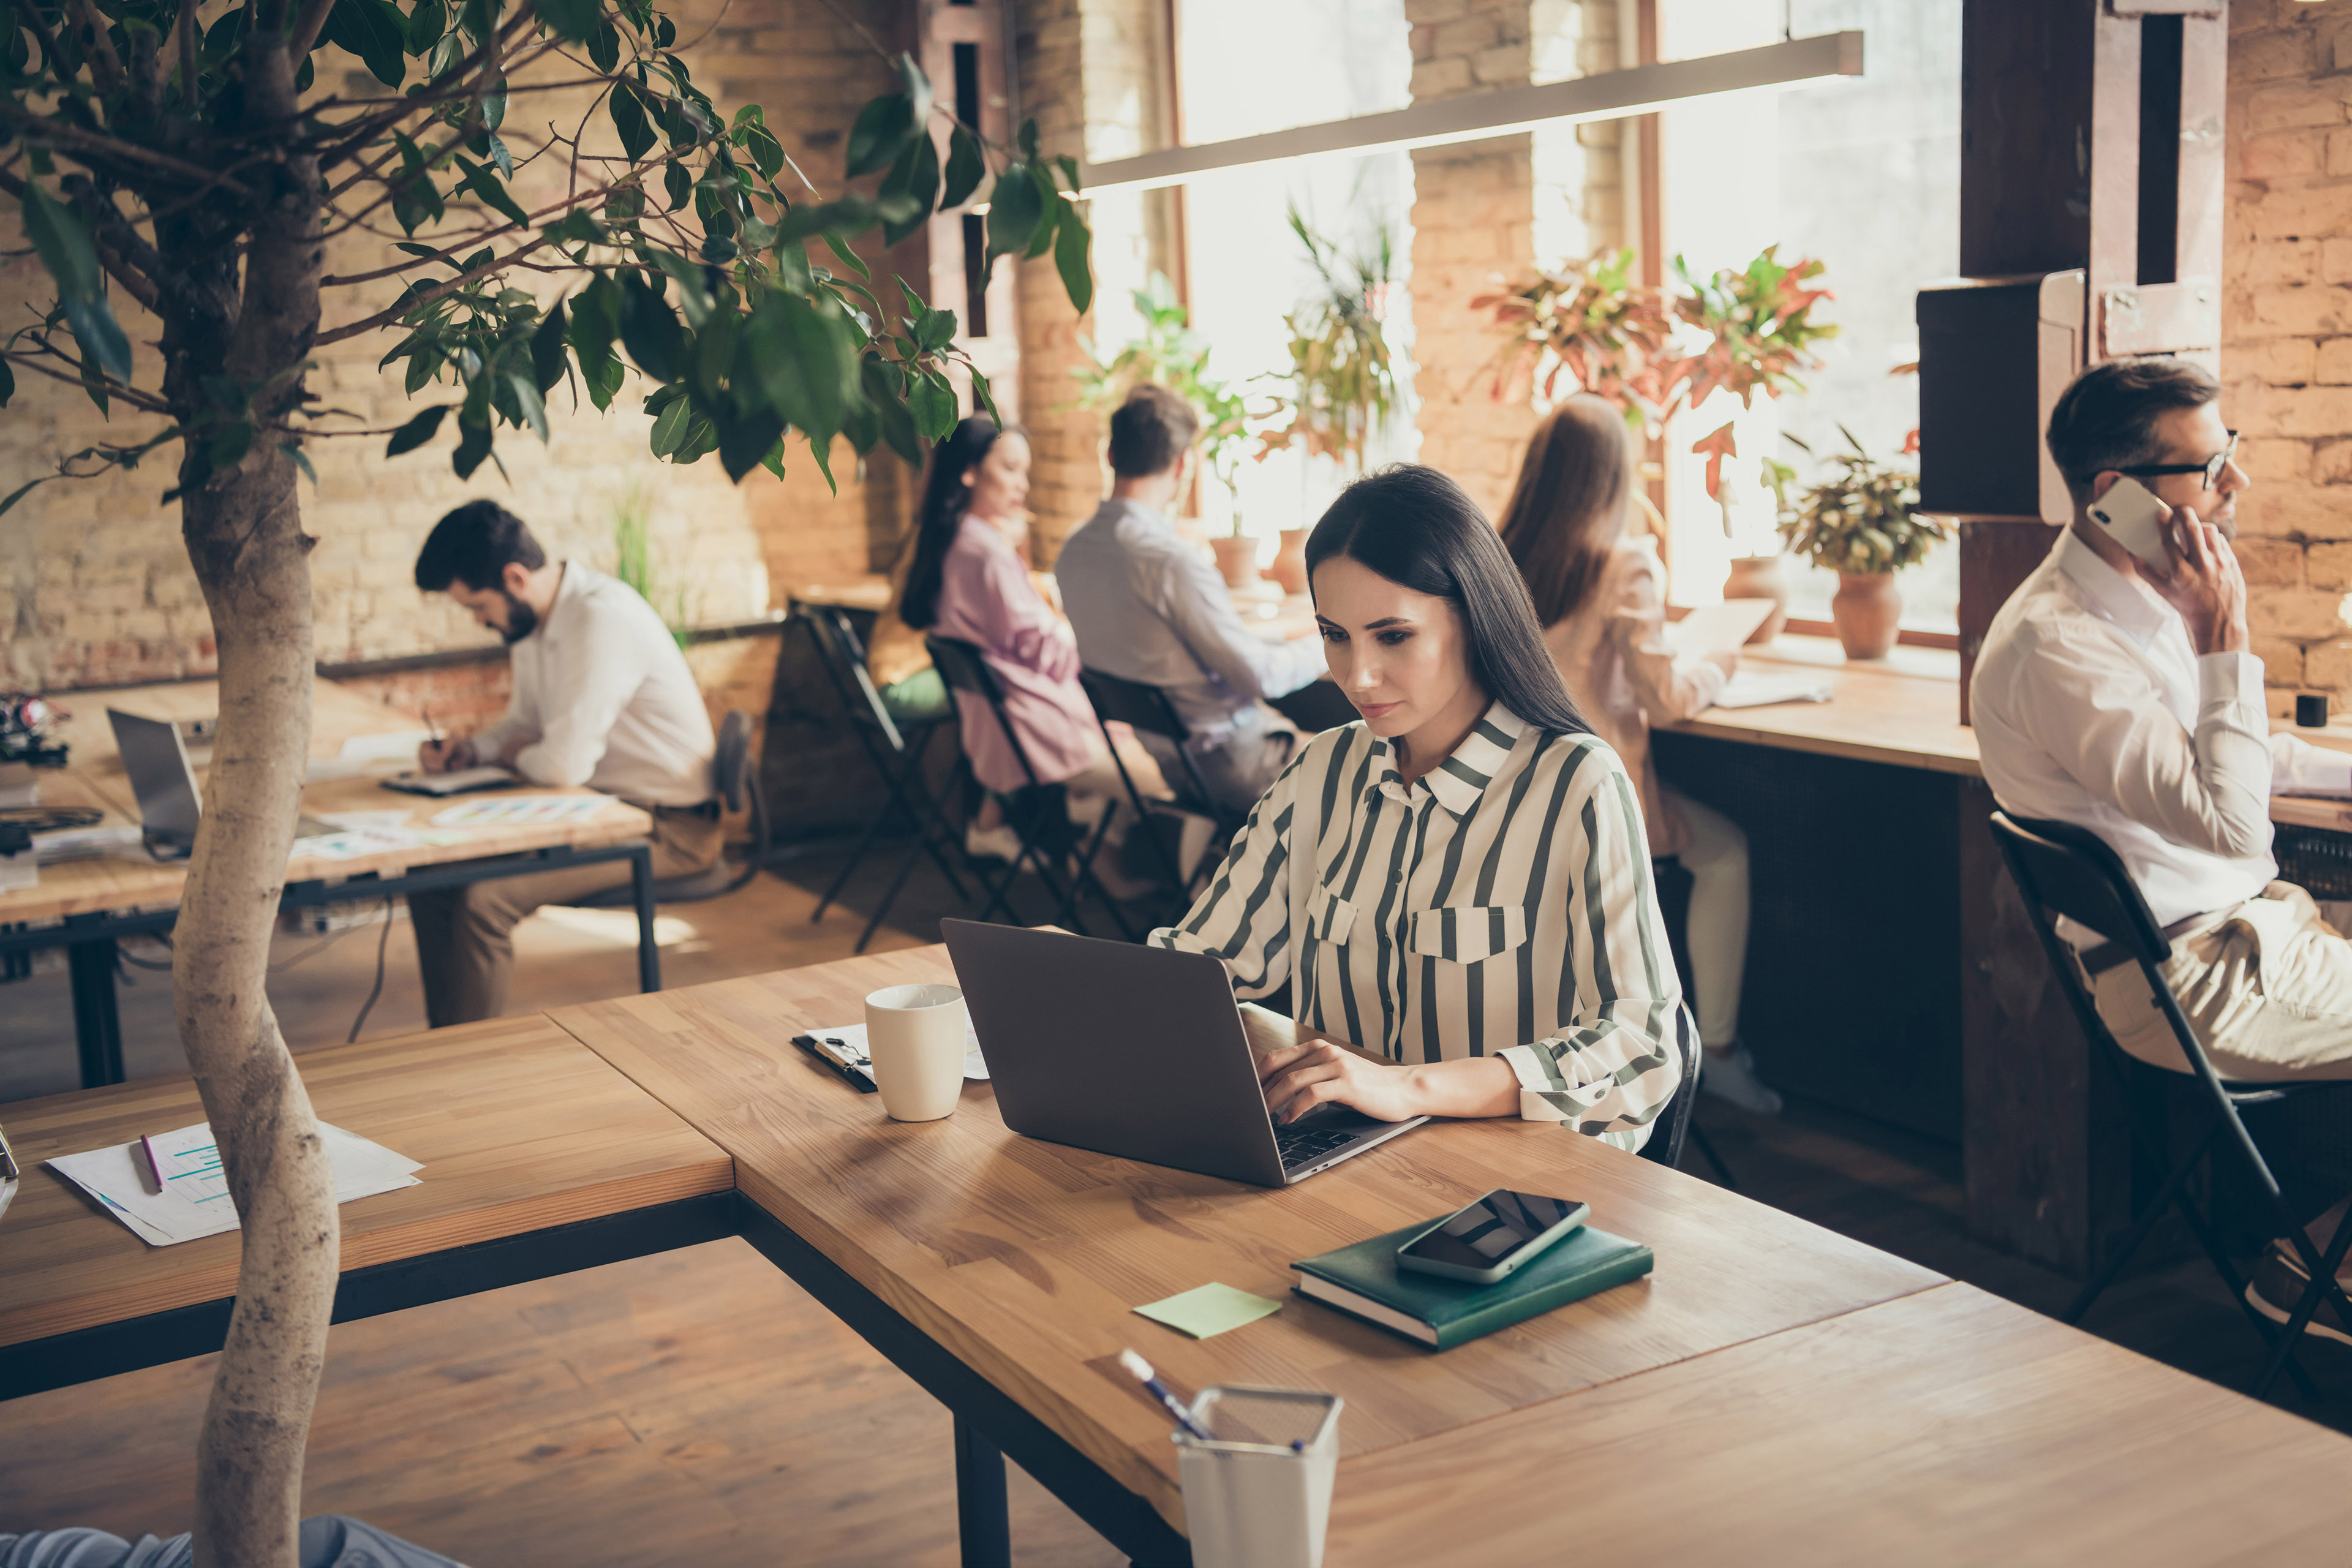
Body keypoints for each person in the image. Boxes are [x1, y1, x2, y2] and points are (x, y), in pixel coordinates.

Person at [1972, 356, 2352, 1344]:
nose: (2237, 485)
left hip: (2244, 936)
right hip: (2196, 982)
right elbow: (2232, 822)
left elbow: (2235, 757)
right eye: (2211, 464)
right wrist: (2226, 635)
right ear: (2118, 497)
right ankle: (2316, 1272)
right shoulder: (2059, 649)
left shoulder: (2137, 599)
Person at [1152, 464, 1691, 1153]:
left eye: (1393, 635)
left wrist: (1406, 1087)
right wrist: (1079, 990)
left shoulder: (1577, 785)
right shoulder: (1323, 771)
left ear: (1472, 617)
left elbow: (1641, 1047)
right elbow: (1200, 967)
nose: (1356, 676)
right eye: (1334, 634)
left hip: (1521, 1186)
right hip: (1347, 1165)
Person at [1496, 396, 1779, 1116]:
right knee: (1726, 852)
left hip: (1512, 806)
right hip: (1595, 810)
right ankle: (1714, 1052)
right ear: (1614, 477)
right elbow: (1671, 697)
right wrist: (1723, 657)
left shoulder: (1497, 558)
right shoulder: (1623, 562)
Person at [409, 500, 721, 1027]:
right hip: (601, 810)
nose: (479, 621)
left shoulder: (600, 618)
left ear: (514, 578)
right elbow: (523, 725)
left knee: (485, 903)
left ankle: (466, 1060)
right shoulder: (533, 622)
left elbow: (562, 766)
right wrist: (475, 750)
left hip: (670, 831)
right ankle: (445, 1036)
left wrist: (520, 753)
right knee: (430, 876)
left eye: (478, 606)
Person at [1055, 383, 1327, 813]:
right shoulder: (1169, 562)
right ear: (1183, 463)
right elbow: (1261, 678)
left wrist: (1284, 637)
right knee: (1364, 760)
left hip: (1172, 763)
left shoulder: (1072, 554)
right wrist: (1329, 642)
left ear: (1110, 454)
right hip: (1234, 763)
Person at [897, 417, 1150, 878]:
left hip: (1001, 734)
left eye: (1025, 472)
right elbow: (1043, 649)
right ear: (970, 472)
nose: (1023, 485)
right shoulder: (985, 551)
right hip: (1038, 733)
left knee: (1142, 750)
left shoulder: (953, 540)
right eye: (1011, 469)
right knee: (1171, 776)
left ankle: (1093, 845)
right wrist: (1092, 630)